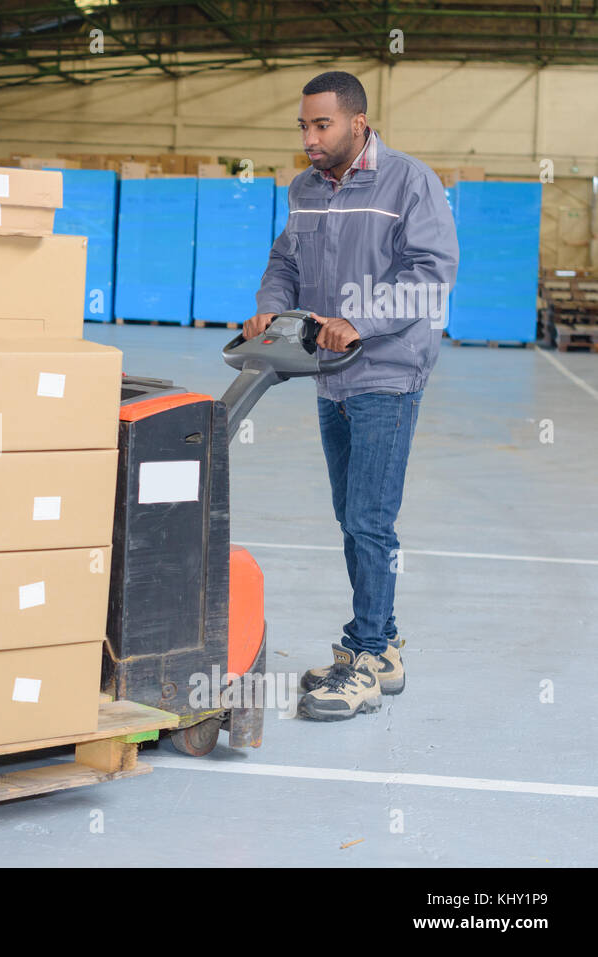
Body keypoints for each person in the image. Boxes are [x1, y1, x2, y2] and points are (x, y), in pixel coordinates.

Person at [245, 70, 459, 721]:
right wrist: (270, 310)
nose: (309, 139)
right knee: (351, 515)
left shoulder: (409, 182)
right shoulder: (304, 189)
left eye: (322, 125)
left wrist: (360, 320)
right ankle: (384, 641)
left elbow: (431, 273)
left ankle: (366, 661)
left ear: (358, 122)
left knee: (370, 517)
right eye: (303, 126)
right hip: (328, 372)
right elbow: (286, 261)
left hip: (387, 373)